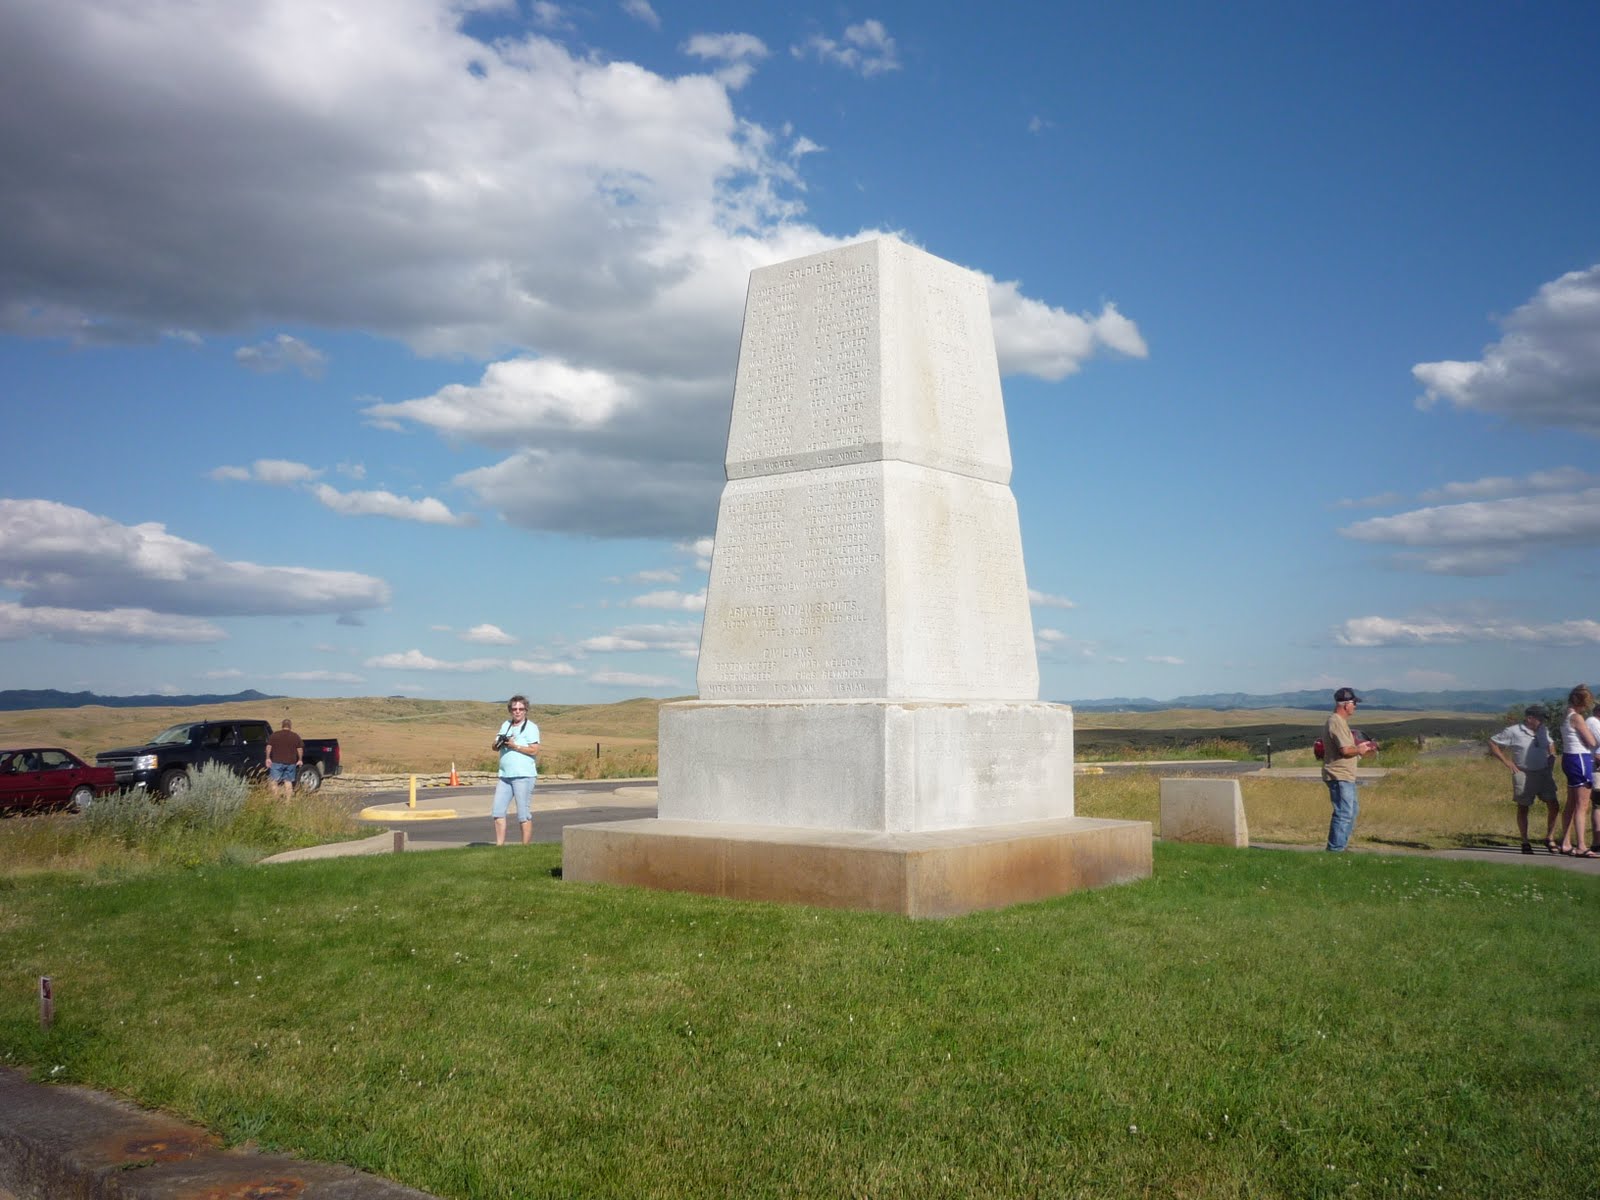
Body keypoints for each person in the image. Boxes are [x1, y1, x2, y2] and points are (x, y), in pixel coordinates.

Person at [1487, 704, 1560, 854]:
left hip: (1544, 772)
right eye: (1540, 718)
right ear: (1529, 718)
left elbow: (1550, 743)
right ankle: (1525, 841)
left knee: (1553, 804)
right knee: (1523, 806)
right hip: (1523, 771)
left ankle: (1550, 837)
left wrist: (1552, 755)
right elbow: (1493, 742)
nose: (1542, 721)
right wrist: (1507, 762)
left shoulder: (1543, 730)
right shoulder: (1513, 731)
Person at [1321, 686, 1377, 851]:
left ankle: (1340, 846)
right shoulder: (1336, 722)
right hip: (1339, 775)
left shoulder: (1339, 722)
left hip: (1345, 775)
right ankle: (1335, 849)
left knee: (1351, 811)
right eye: (1354, 703)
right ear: (1346, 704)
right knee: (1344, 813)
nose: (1355, 707)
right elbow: (1345, 751)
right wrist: (1360, 749)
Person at [1555, 685, 1598, 858]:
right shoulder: (1577, 718)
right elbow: (1592, 741)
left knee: (1571, 803)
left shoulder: (1566, 715)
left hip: (1569, 757)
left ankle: (1565, 843)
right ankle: (1581, 845)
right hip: (1580, 758)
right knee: (1582, 805)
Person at [492, 695, 540, 846]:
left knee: (523, 814)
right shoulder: (506, 725)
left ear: (526, 710)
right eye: (514, 709)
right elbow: (494, 746)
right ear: (510, 710)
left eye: (520, 709)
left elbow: (534, 750)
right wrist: (498, 743)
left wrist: (515, 746)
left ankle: (524, 848)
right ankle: (499, 845)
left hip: (523, 775)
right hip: (505, 775)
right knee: (497, 811)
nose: (517, 712)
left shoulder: (531, 727)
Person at [265, 718, 303, 802]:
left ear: (282, 725)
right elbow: (299, 749)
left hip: (277, 762)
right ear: (290, 726)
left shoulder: (274, 735)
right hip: (291, 763)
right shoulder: (295, 736)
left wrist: (268, 758)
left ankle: (276, 799)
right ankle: (288, 802)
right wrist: (300, 759)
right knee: (288, 782)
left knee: (274, 781)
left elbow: (268, 747)